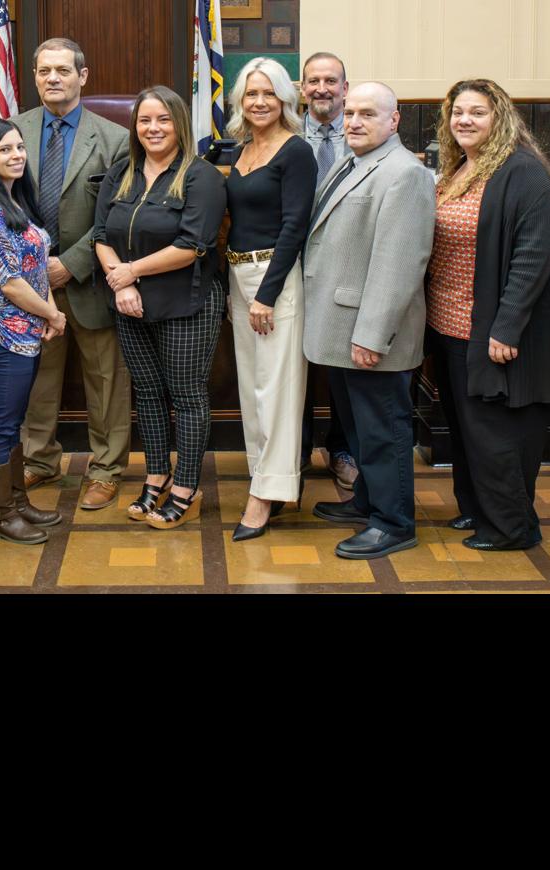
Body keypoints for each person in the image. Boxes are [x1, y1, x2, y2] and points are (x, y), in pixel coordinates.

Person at [424, 78, 550, 551]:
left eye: (477, 112)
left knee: (498, 434)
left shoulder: (522, 172)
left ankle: (511, 527)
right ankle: (479, 510)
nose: (464, 120)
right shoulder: (461, 168)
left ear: (500, 117)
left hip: (493, 332)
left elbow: (533, 257)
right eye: (457, 112)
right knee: (467, 432)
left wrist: (506, 326)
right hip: (447, 326)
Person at [303, 82, 434, 560]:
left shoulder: (404, 173)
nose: (355, 121)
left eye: (368, 114)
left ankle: (394, 522)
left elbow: (400, 263)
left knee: (383, 431)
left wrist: (373, 335)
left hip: (370, 333)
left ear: (394, 120)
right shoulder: (352, 160)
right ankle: (367, 500)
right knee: (359, 430)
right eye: (350, 112)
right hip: (341, 327)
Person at [92, 86, 226, 530]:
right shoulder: (120, 173)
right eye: (145, 120)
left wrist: (130, 273)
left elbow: (193, 245)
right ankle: (156, 475)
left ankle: (186, 485)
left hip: (185, 304)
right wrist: (120, 282)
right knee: (147, 396)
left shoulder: (201, 176)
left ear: (180, 125)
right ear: (135, 127)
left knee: (186, 398)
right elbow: (100, 235)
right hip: (129, 305)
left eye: (163, 119)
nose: (153, 128)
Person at [14, 37, 135, 512]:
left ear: (83, 76)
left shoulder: (114, 138)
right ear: (35, 76)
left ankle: (105, 469)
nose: (53, 79)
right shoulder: (11, 131)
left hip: (89, 277)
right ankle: (39, 459)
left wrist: (70, 263)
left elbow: (119, 215)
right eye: (44, 71)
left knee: (106, 379)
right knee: (36, 378)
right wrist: (32, 266)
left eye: (63, 70)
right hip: (28, 281)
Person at [223, 57, 315, 541]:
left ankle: (266, 495)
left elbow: (294, 227)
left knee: (276, 391)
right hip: (239, 275)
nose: (259, 102)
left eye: (269, 94)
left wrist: (267, 293)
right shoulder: (242, 150)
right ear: (240, 100)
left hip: (272, 280)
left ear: (285, 100)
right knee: (251, 390)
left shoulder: (295, 151)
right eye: (252, 94)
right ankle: (268, 481)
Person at [0, 117, 66, 544]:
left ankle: (18, 502)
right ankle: (0, 514)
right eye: (4, 150)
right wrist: (54, 317)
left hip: (29, 324)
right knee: (2, 423)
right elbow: (8, 281)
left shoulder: (14, 199)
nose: (17, 155)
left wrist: (49, 309)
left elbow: (37, 266)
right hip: (4, 329)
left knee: (16, 420)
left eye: (20, 147)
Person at [298, 50, 359, 498]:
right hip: (293, 268)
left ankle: (342, 450)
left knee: (342, 367)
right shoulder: (283, 137)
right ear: (302, 89)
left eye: (331, 81)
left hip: (345, 271)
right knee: (292, 368)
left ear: (345, 88)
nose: (322, 88)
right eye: (314, 81)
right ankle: (295, 453)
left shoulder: (363, 138)